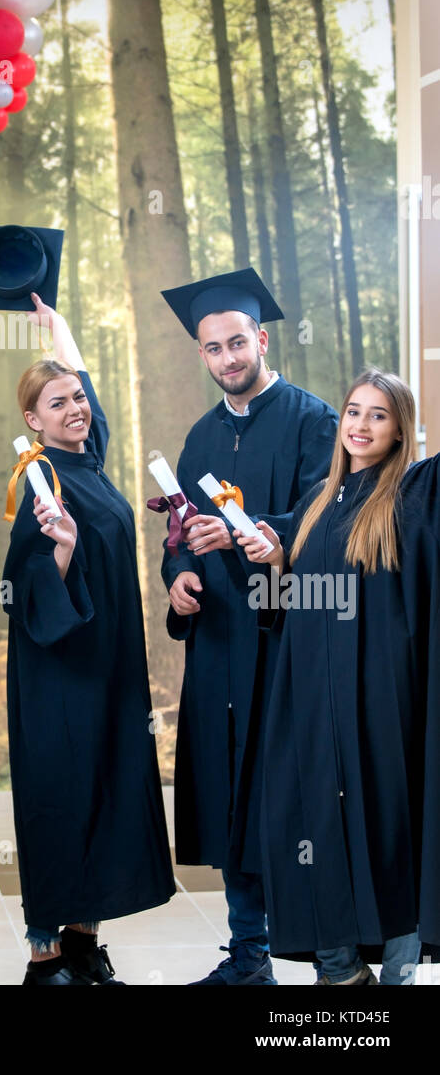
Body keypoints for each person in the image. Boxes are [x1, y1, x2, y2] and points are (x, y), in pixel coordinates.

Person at [158, 268, 338, 986]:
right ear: (202, 356)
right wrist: (177, 579)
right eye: (214, 349)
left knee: (289, 793)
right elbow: (179, 532)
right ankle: (248, 957)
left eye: (238, 342)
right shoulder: (200, 436)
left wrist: (254, 536)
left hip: (285, 640)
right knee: (231, 791)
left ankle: (331, 954)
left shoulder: (313, 420)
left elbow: (327, 516)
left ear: (261, 340)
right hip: (219, 643)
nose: (228, 358)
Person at [238, 370, 440, 985]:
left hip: (381, 700)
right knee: (312, 825)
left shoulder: (411, 497)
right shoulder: (317, 501)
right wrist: (275, 559)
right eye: (354, 411)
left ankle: (398, 975)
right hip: (309, 698)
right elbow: (282, 601)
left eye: (378, 415)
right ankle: (340, 970)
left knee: (390, 828)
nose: (360, 425)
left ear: (401, 427)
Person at [2, 296, 175, 985]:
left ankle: (83, 947)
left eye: (77, 397)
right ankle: (46, 959)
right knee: (62, 800)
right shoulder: (41, 481)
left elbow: (93, 408)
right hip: (58, 682)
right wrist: (63, 551)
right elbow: (24, 587)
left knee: (103, 795)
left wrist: (63, 335)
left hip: (107, 674)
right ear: (32, 421)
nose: (75, 408)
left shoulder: (88, 463)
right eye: (58, 402)